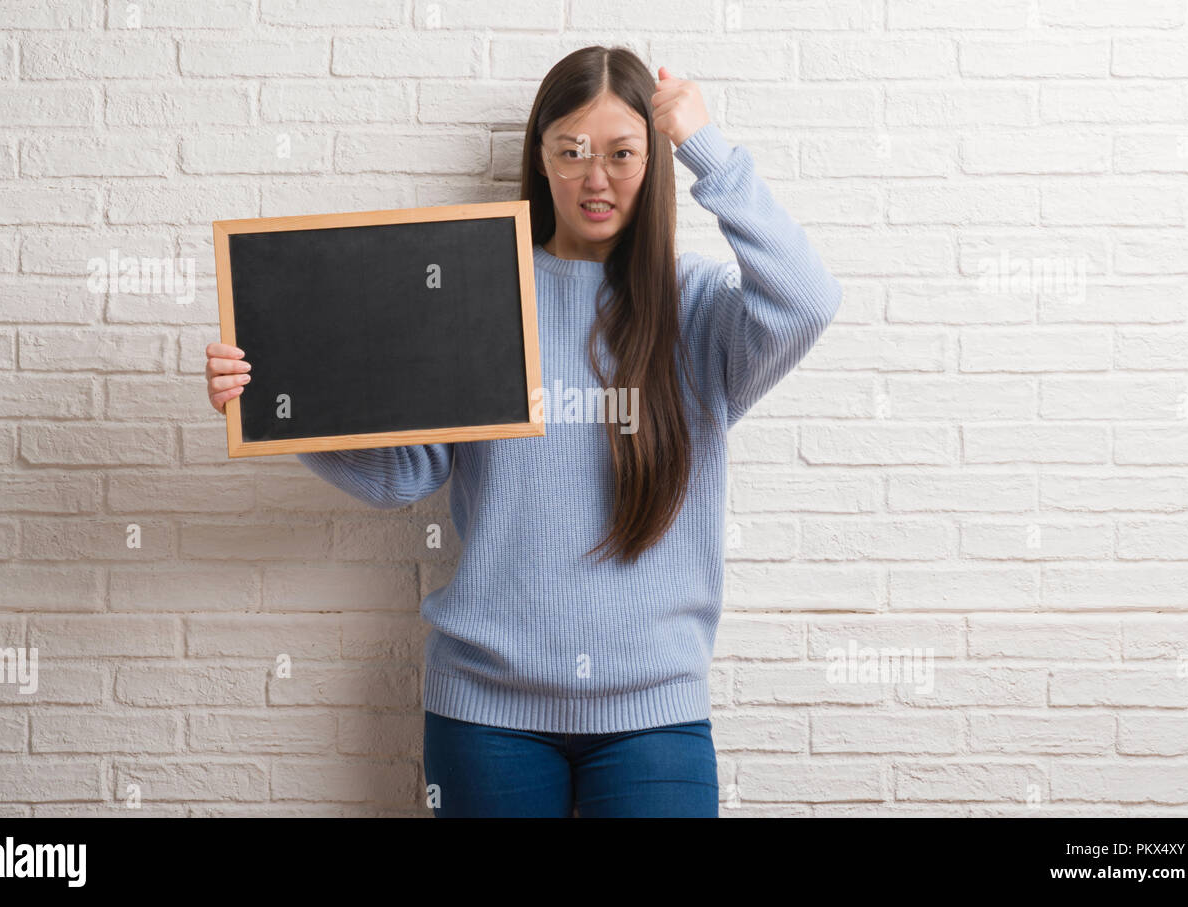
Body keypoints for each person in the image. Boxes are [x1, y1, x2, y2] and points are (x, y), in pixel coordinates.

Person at [205, 45, 843, 817]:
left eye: (622, 153)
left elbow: (806, 300)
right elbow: (402, 473)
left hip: (655, 712)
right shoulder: (474, 293)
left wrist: (706, 146)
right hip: (486, 711)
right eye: (571, 151)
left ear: (655, 158)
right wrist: (275, 403)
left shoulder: (699, 308)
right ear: (540, 156)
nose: (595, 178)